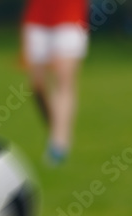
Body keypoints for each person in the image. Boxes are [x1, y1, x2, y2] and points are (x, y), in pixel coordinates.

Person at [21, 0, 90, 166]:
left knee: (64, 80)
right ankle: (57, 128)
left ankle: (59, 143)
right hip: (38, 19)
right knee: (37, 86)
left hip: (70, 19)